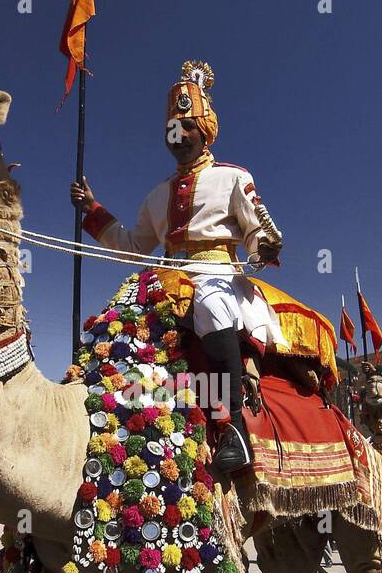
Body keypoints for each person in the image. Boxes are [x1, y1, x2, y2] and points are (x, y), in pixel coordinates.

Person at [70, 60, 287, 473]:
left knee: (210, 303)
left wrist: (265, 244)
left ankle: (233, 427)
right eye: (173, 128)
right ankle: (113, 414)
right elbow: (135, 247)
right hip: (167, 278)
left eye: (187, 127)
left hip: (219, 275)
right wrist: (94, 211)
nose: (179, 136)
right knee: (118, 319)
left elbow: (257, 227)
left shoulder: (234, 178)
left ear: (204, 131)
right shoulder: (156, 196)